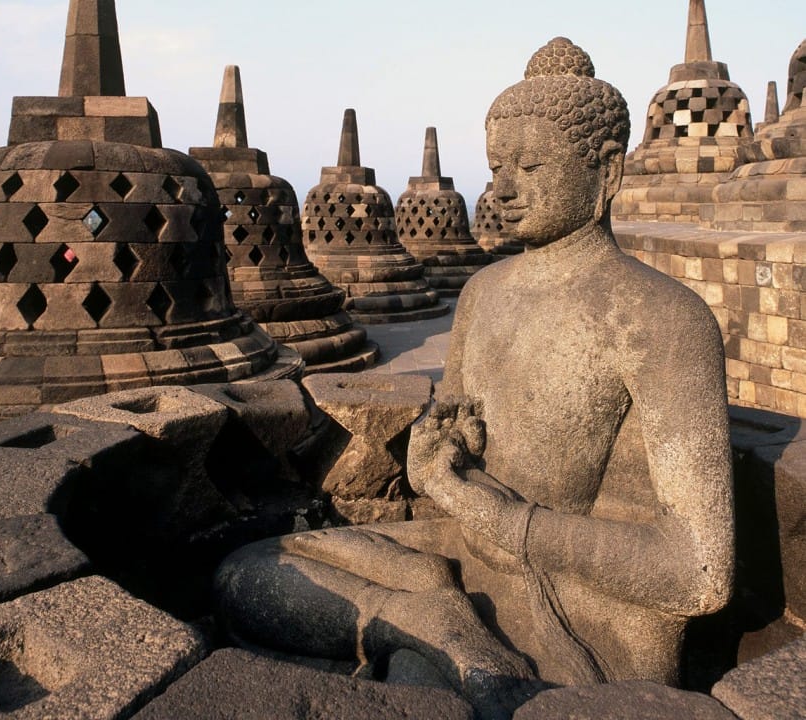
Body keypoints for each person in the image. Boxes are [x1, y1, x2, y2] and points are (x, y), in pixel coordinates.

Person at [214, 38, 734, 718]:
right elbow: (453, 446)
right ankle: (427, 621)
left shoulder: (661, 319)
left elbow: (700, 571)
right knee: (250, 572)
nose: (502, 189)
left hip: (581, 612)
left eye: (531, 166)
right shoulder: (482, 294)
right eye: (496, 168)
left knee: (417, 691)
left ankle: (428, 635)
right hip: (464, 552)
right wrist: (434, 462)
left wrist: (511, 522)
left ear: (606, 171)